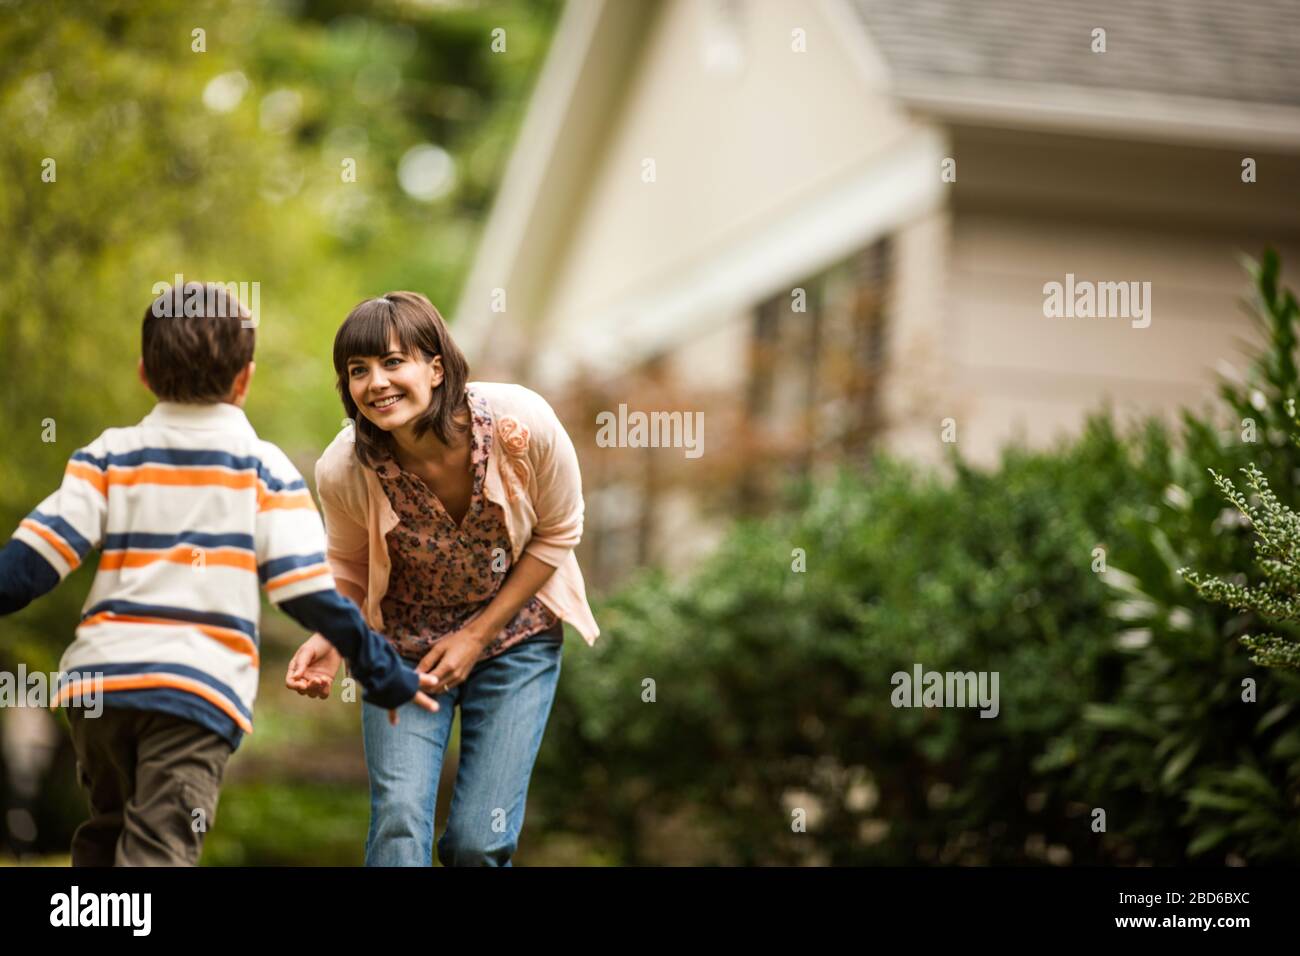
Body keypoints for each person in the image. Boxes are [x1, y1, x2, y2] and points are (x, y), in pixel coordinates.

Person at [0, 282, 440, 866]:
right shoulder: (261, 469)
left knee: (106, 837)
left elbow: (28, 567)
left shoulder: (108, 456)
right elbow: (305, 591)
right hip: (193, 689)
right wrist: (380, 669)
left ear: (144, 374)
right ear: (245, 379)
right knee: (158, 849)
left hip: (98, 689)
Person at [286, 291, 600, 866]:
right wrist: (330, 637)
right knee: (400, 823)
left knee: (479, 842)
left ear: (436, 367)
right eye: (358, 371)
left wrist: (475, 636)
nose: (375, 382)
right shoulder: (345, 467)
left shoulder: (520, 424)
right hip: (402, 652)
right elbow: (349, 569)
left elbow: (559, 533)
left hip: (515, 639)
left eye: (392, 361)